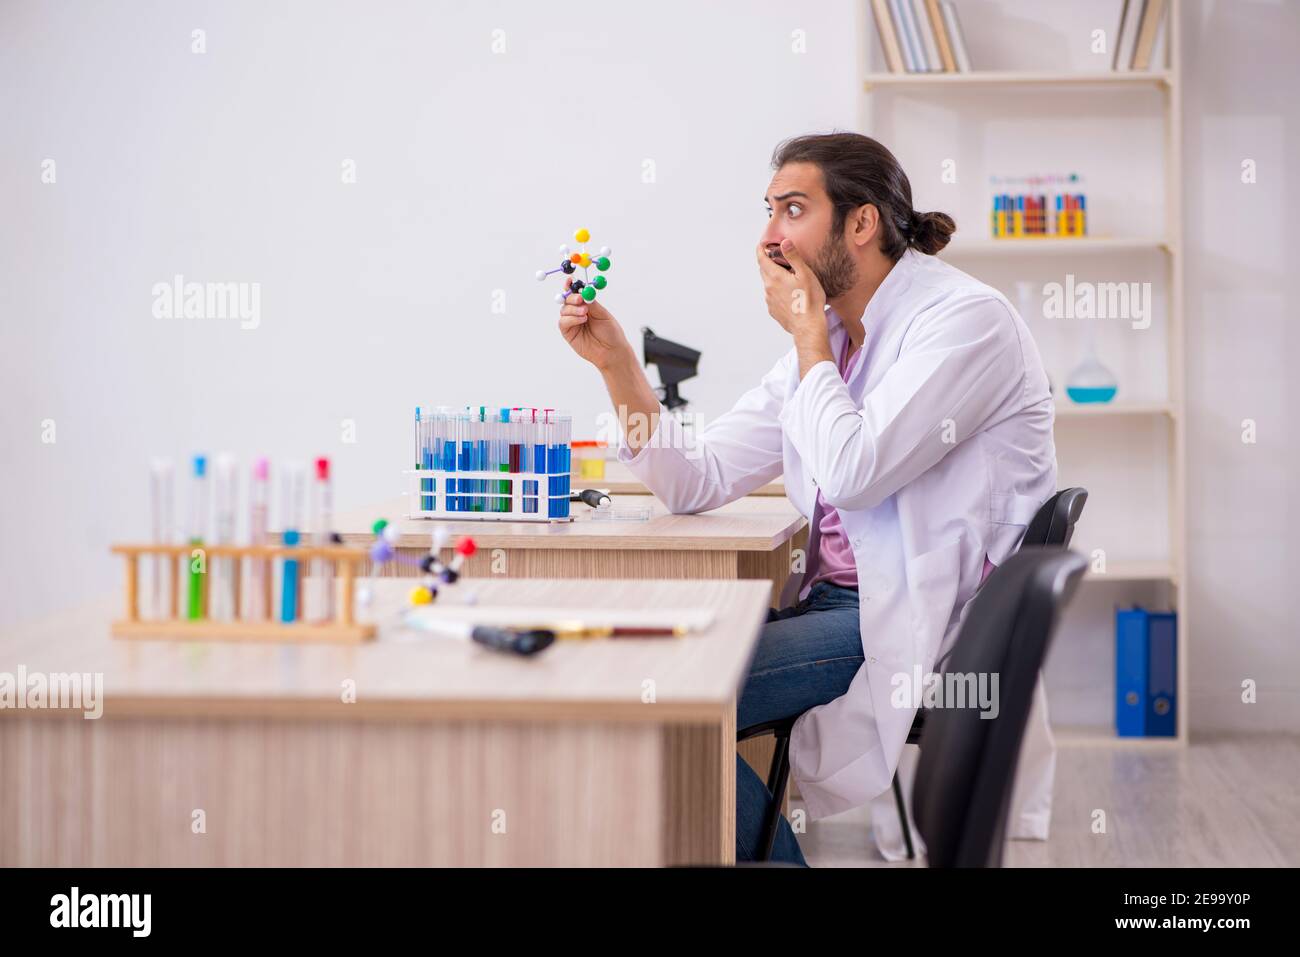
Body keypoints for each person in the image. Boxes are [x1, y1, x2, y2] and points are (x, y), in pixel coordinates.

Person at [557, 131, 1056, 865]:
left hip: (909, 616)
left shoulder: (962, 322)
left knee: (658, 702)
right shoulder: (829, 338)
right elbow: (696, 477)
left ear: (861, 224)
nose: (768, 236)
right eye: (768, 211)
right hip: (841, 606)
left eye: (793, 209)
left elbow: (853, 470)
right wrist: (618, 366)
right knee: (646, 689)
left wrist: (805, 337)